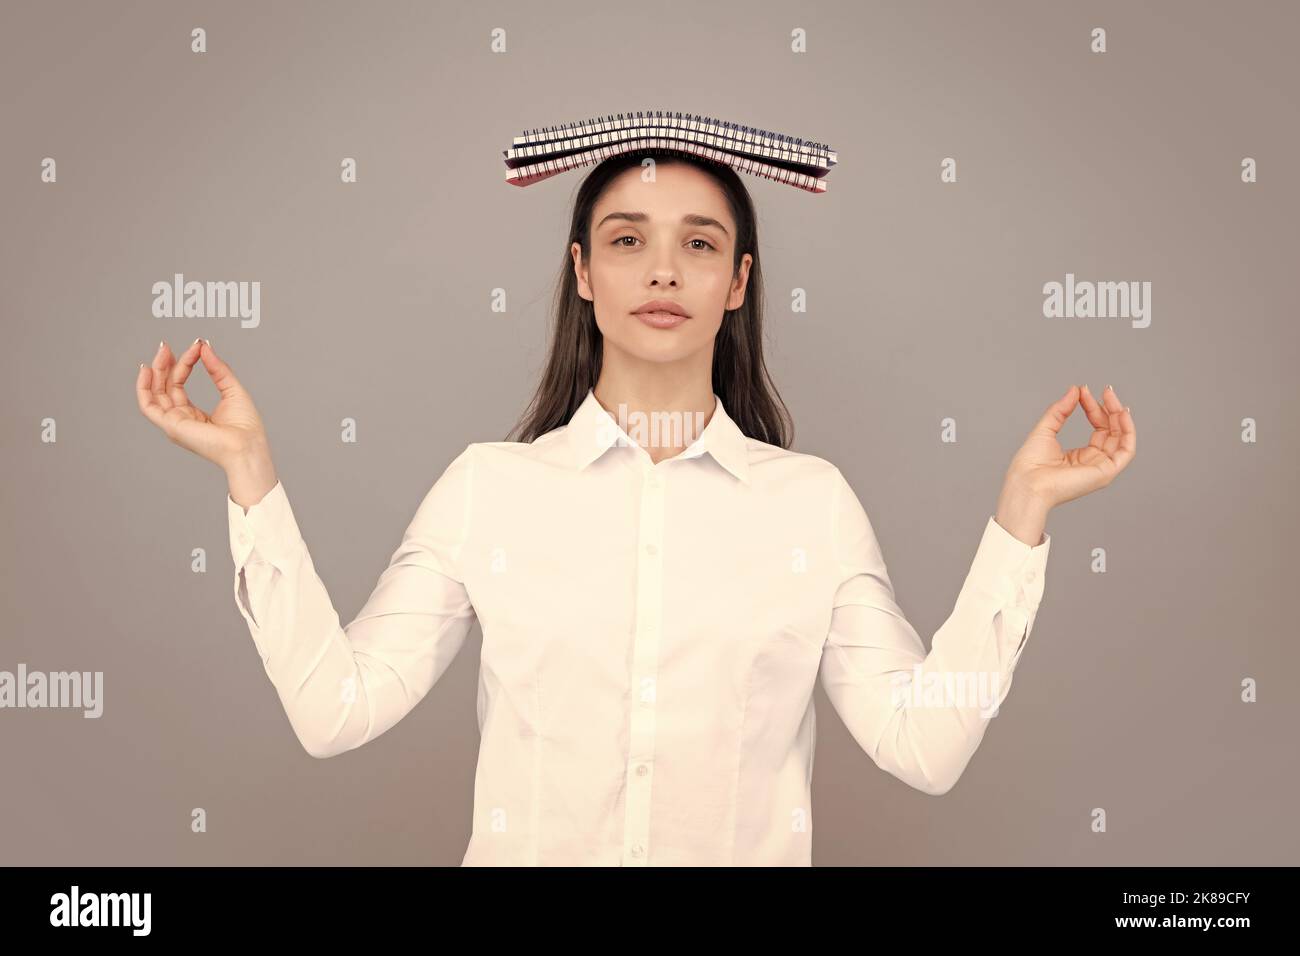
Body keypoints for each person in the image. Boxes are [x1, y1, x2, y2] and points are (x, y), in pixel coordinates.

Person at [134, 150, 1136, 866]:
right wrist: (249, 473)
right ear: (582, 271)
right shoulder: (491, 489)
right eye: (627, 239)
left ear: (738, 281)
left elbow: (924, 746)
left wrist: (1023, 510)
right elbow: (334, 710)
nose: (662, 269)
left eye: (698, 243)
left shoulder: (810, 506)